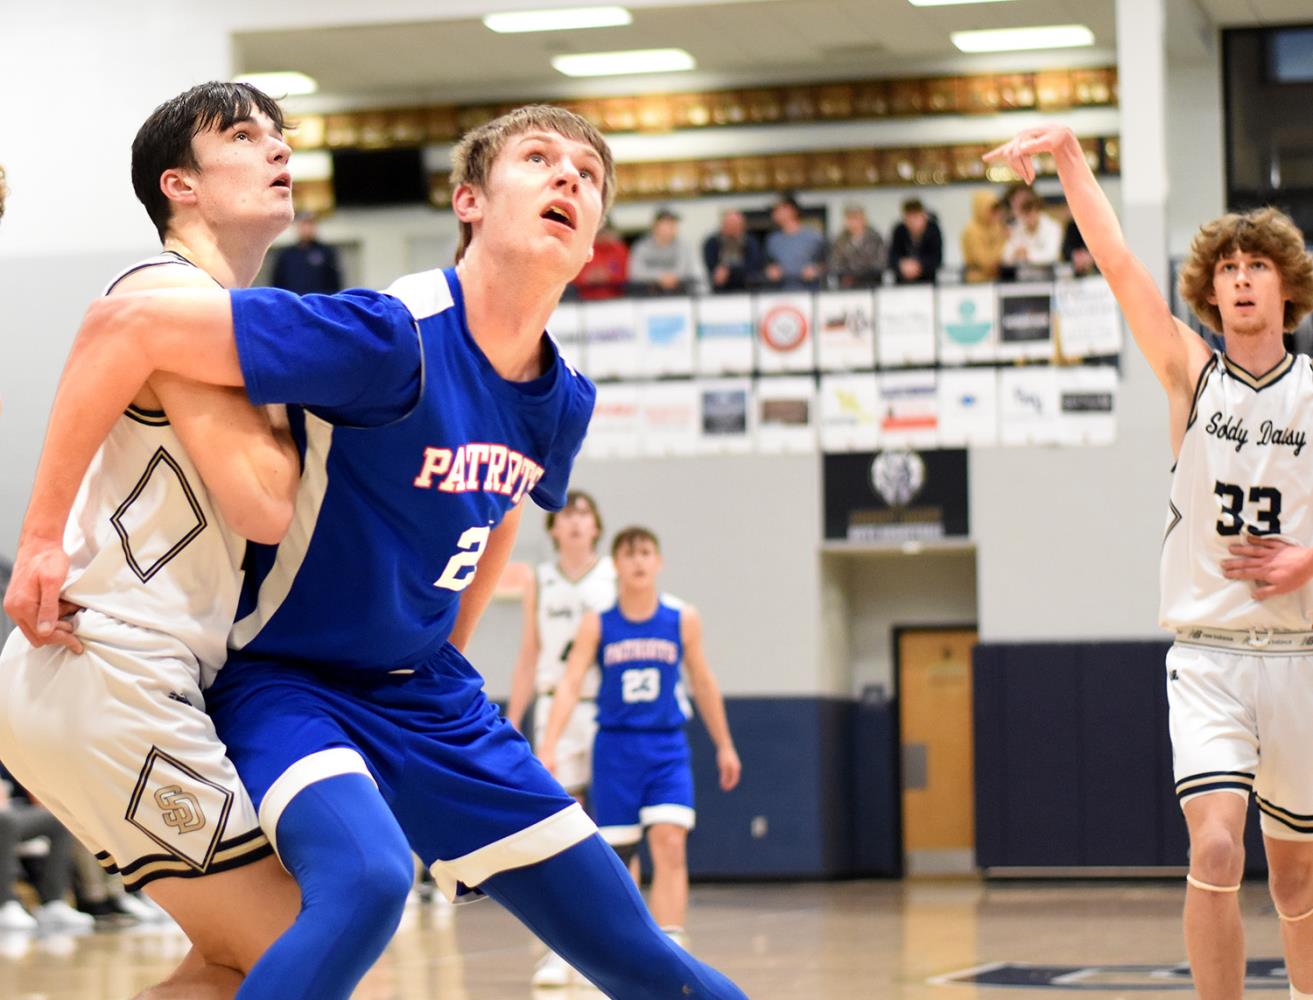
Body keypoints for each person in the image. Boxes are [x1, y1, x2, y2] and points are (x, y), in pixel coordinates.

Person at [9, 104, 747, 1000]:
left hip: (418, 696)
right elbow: (136, 348)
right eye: (541, 159)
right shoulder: (382, 332)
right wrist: (39, 538)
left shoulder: (562, 398)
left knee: (643, 957)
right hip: (273, 676)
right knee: (358, 887)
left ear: (594, 236)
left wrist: (446, 642)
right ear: (468, 200)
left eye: (589, 176)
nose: (569, 178)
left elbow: (505, 500)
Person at [986, 125, 1313, 1000]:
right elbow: (1117, 261)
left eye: (1256, 266)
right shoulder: (1188, 371)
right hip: (1206, 653)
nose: (1239, 279)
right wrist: (1065, 158)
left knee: (1295, 882)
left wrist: (1305, 562)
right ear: (1210, 291)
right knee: (1213, 843)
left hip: (1299, 657)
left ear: (1287, 285)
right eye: (1226, 269)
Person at [0, 82, 305, 999]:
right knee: (298, 947)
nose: (279, 149)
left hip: (112, 676)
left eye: (282, 133)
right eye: (246, 137)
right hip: (113, 672)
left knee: (231, 962)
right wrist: (328, 412)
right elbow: (264, 504)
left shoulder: (204, 306)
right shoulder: (174, 296)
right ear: (180, 184)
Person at [539, 526, 741, 950]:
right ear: (617, 566)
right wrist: (549, 744)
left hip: (666, 746)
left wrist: (724, 743)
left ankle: (672, 945)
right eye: (629, 554)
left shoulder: (681, 618)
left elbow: (702, 682)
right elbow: (571, 682)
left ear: (659, 562)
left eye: (646, 552)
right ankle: (632, 947)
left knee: (669, 841)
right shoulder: (598, 623)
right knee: (621, 856)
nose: (638, 561)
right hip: (616, 748)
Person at [506, 489, 617, 987]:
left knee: (614, 830)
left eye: (583, 514)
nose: (573, 522)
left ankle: (615, 949)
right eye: (565, 514)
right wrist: (513, 717)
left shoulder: (616, 575)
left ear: (597, 526)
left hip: (607, 708)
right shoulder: (540, 579)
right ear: (552, 529)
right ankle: (560, 949)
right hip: (555, 708)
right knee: (558, 832)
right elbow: (529, 654)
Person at [0, 763, 92, 933]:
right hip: (5, 818)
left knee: (59, 819)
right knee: (4, 821)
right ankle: (5, 903)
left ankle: (53, 903)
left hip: (9, 811)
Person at [271, 211, 342, 295]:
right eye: (303, 225)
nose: (306, 228)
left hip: (317, 304)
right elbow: (277, 283)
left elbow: (334, 283)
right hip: (292, 303)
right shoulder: (286, 255)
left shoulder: (326, 252)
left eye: (309, 224)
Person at [629, 207, 697, 294]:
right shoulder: (642, 247)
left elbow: (689, 271)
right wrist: (659, 277)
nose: (673, 226)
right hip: (648, 297)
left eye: (674, 223)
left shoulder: (683, 246)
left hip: (679, 296)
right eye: (667, 223)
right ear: (655, 225)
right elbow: (635, 272)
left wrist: (670, 278)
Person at [764, 194, 825, 289]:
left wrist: (816, 269)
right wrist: (770, 271)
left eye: (778, 209)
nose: (774, 213)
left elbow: (827, 263)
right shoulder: (772, 240)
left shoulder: (814, 237)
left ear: (792, 210)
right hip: (780, 296)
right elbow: (767, 265)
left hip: (809, 295)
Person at [702, 208, 763, 292]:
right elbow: (712, 267)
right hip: (720, 290)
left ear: (742, 225)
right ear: (723, 224)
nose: (732, 227)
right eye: (729, 224)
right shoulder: (712, 242)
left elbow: (753, 265)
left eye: (735, 224)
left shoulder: (750, 242)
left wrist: (729, 271)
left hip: (747, 289)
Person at [827, 203, 886, 288]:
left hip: (871, 286)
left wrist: (858, 275)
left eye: (856, 218)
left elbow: (880, 264)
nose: (853, 222)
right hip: (847, 287)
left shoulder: (875, 239)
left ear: (864, 219)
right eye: (850, 218)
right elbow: (834, 264)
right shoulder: (839, 241)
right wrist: (846, 275)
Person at [1002, 190, 1062, 269]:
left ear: (1038, 210)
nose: (1030, 216)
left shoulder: (1052, 227)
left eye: (1032, 211)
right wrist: (1015, 253)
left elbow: (1052, 255)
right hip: (1022, 276)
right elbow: (1006, 256)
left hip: (1047, 274)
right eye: (1025, 212)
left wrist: (1027, 254)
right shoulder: (1018, 227)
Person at [888, 197, 942, 285]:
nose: (912, 221)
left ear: (923, 215)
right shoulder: (899, 230)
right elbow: (892, 255)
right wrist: (901, 264)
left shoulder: (933, 230)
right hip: (902, 283)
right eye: (909, 217)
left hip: (927, 282)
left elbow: (937, 258)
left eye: (915, 217)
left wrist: (919, 265)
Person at [571, 219, 629, 300]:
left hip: (616, 299)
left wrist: (610, 276)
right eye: (599, 232)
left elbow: (628, 275)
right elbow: (571, 276)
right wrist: (585, 278)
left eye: (606, 231)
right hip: (585, 300)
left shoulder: (619, 250)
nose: (603, 235)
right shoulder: (583, 249)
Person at [960, 190, 1007, 283]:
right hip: (977, 282)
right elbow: (984, 261)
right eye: (992, 210)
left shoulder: (997, 227)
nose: (996, 214)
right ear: (982, 209)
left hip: (997, 279)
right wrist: (1000, 254)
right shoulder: (971, 231)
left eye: (997, 210)